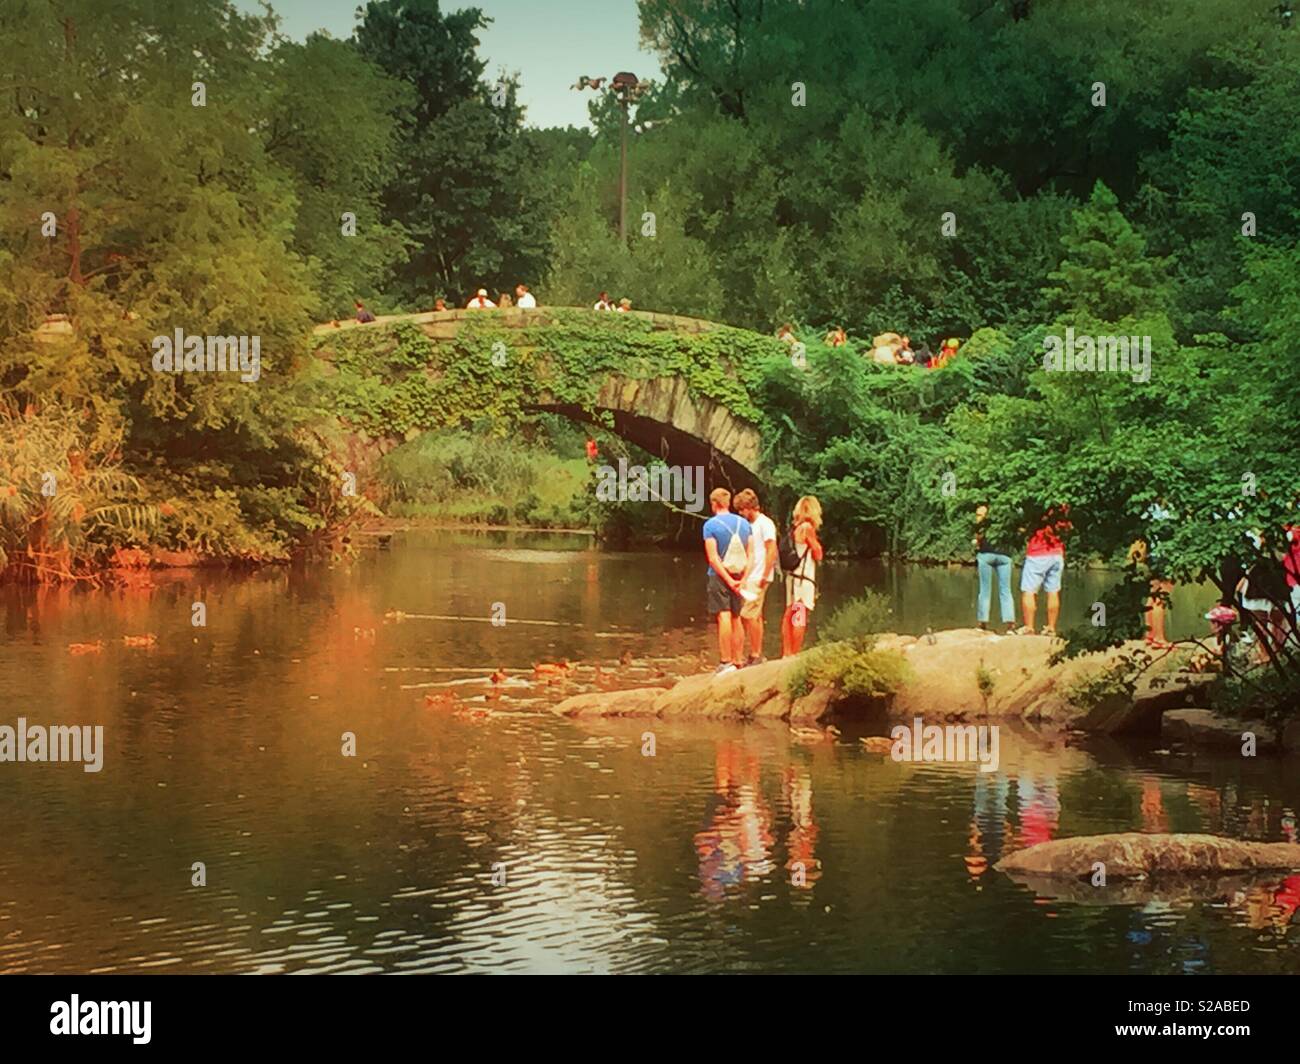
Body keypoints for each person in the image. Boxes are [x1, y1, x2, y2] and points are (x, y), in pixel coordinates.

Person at [702, 488, 753, 676]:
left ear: (714, 504)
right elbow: (751, 554)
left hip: (720, 577)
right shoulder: (745, 524)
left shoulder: (710, 525)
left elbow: (713, 558)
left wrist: (728, 580)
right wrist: (742, 579)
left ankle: (725, 661)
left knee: (724, 616)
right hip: (739, 575)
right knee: (736, 616)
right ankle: (738, 660)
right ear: (729, 503)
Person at [735, 488, 778, 666]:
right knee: (755, 615)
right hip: (750, 575)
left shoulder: (765, 524)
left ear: (749, 507)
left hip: (759, 575)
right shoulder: (749, 525)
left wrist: (765, 574)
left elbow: (771, 550)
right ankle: (755, 652)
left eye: (741, 510)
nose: (740, 513)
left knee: (748, 615)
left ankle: (755, 654)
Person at [1018, 504, 1071, 636]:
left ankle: (1029, 627)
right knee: (1053, 591)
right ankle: (1051, 628)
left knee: (1029, 591)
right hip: (1057, 553)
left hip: (1037, 553)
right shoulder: (1063, 508)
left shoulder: (1038, 505)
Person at [781, 495, 823, 657]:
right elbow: (818, 553)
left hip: (792, 577)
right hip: (803, 579)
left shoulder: (796, 528)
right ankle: (794, 653)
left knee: (789, 614)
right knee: (799, 615)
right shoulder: (807, 528)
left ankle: (786, 652)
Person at [973, 504, 1016, 633]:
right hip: (1004, 556)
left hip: (986, 554)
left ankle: (982, 623)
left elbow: (978, 539)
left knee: (985, 590)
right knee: (1006, 591)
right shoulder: (1005, 520)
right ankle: (1010, 625)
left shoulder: (982, 525)